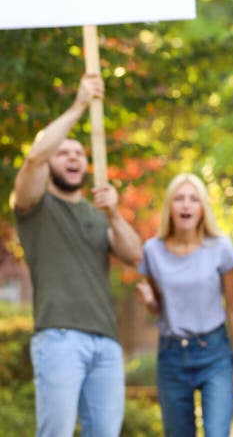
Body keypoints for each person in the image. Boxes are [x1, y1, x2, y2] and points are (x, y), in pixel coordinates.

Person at [13, 73, 143, 436]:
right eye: (63, 153)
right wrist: (80, 104)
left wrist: (115, 214)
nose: (72, 158)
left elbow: (135, 256)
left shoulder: (97, 212)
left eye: (78, 154)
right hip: (58, 338)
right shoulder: (34, 205)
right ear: (52, 163)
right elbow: (34, 157)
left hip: (106, 341)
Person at [136, 173, 233, 436]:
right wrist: (150, 302)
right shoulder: (153, 251)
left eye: (193, 199)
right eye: (179, 199)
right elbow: (158, 308)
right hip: (171, 355)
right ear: (169, 208)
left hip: (215, 354)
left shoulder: (220, 247)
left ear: (202, 208)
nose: (186, 205)